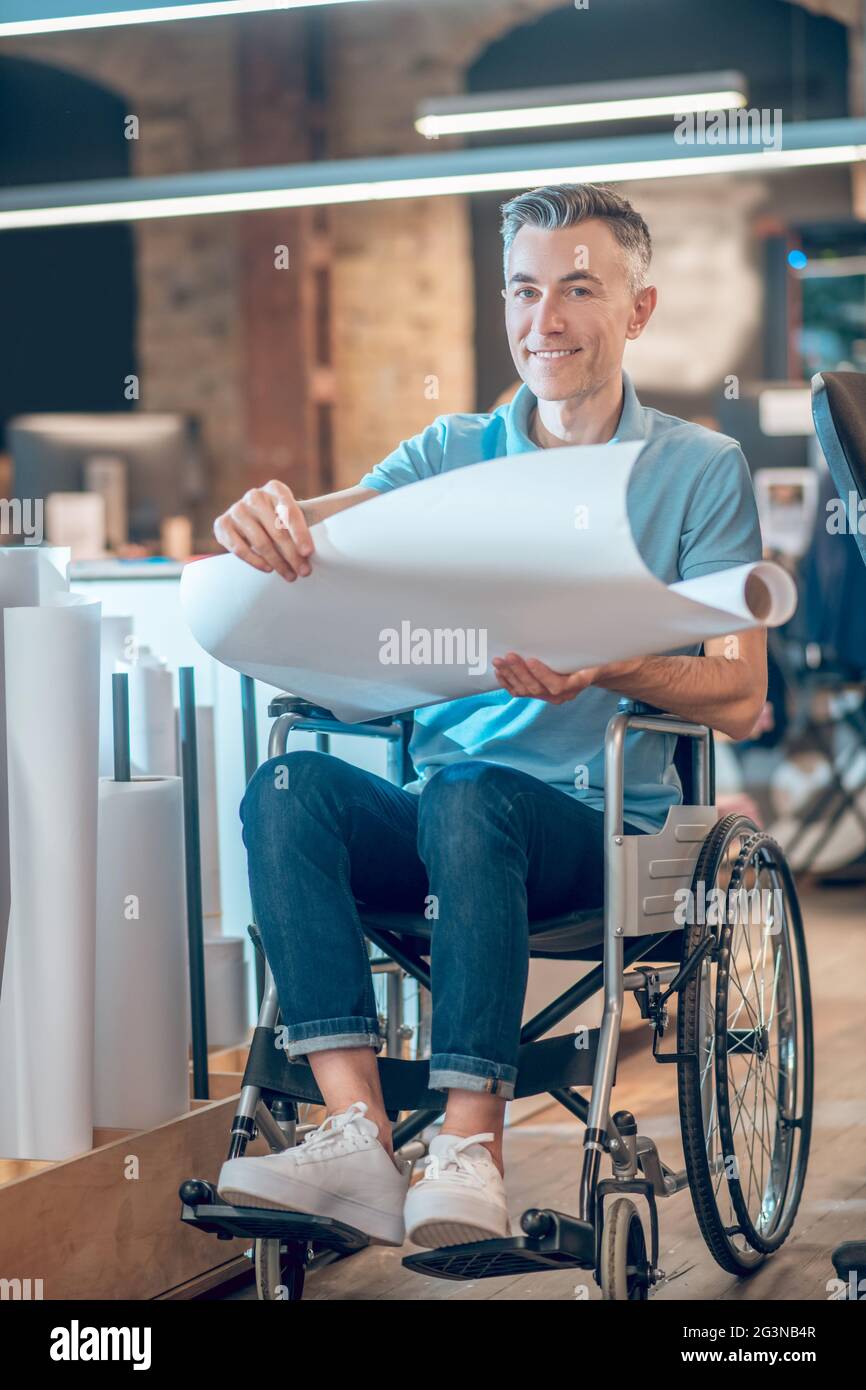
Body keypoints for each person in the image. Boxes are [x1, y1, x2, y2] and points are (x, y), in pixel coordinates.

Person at [213, 183, 768, 1251]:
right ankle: (355, 1135)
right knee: (286, 787)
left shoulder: (697, 470)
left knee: (471, 795)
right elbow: (309, 531)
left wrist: (610, 662)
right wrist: (263, 517)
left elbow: (740, 695)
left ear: (636, 312)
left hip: (594, 826)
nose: (542, 321)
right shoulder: (449, 452)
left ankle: (470, 1147)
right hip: (440, 819)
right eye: (522, 290)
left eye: (575, 289)